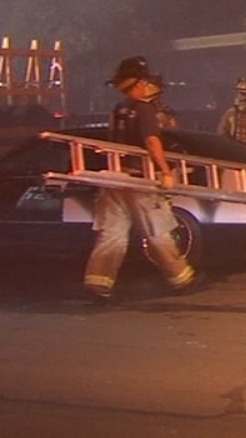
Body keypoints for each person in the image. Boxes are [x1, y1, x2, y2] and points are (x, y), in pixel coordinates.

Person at [83, 56, 197, 303]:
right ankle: (181, 278)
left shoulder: (119, 110)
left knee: (112, 233)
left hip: (115, 177)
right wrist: (165, 171)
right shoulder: (144, 109)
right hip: (140, 180)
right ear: (139, 83)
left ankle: (98, 282)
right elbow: (152, 141)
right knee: (158, 230)